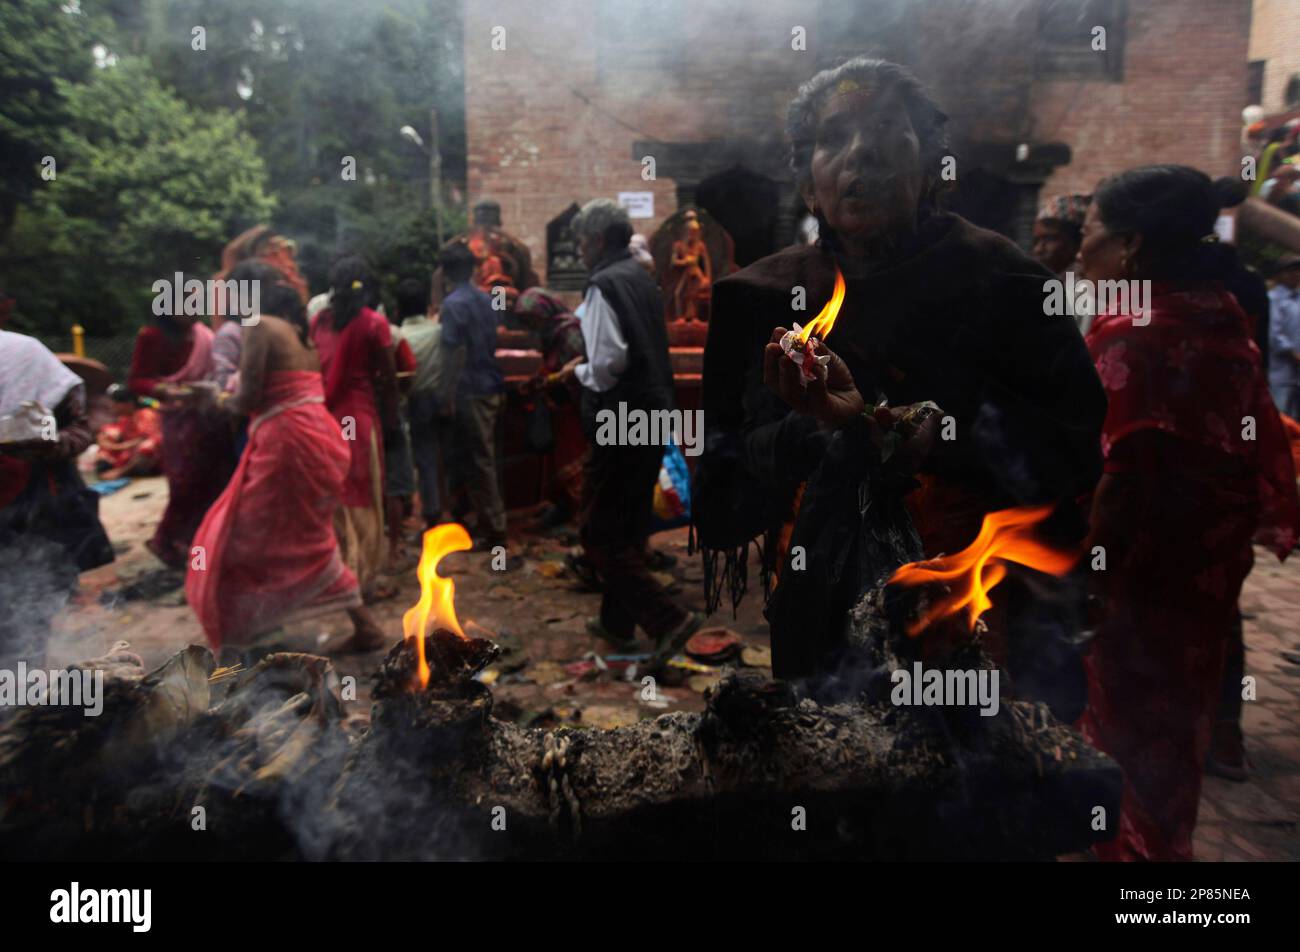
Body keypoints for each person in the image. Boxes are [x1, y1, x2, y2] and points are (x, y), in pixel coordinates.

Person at [695, 58, 1106, 691]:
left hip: (975, 602)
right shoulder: (761, 299)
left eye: (888, 127)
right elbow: (727, 474)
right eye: (833, 138)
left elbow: (1071, 452)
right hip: (817, 599)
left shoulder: (1007, 281)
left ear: (931, 165)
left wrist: (933, 440)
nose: (863, 153)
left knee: (967, 769)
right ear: (808, 184)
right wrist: (820, 436)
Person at [1076, 165, 1299, 861]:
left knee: (1122, 731)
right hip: (1207, 565)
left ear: (1131, 246)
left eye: (1089, 233)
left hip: (1142, 576)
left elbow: (1122, 479)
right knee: (1174, 726)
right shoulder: (1214, 308)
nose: (1082, 251)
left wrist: (1086, 581)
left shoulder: (1135, 335)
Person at [187, 262, 385, 653]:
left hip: (289, 444)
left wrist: (214, 397)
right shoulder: (298, 331)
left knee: (241, 536)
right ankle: (360, 627)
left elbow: (248, 399)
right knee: (308, 536)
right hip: (319, 438)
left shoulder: (259, 325)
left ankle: (246, 631)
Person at [556, 199, 701, 662]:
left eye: (580, 241)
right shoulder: (642, 277)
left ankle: (669, 620)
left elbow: (607, 366)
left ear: (596, 240)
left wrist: (574, 374)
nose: (579, 251)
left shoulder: (602, 284)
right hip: (654, 412)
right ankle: (616, 623)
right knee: (629, 522)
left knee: (598, 534)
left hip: (619, 417)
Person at [0, 328, 114, 674]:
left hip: (26, 505)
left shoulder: (23, 355)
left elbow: (79, 430)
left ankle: (18, 704)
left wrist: (43, 442)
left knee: (24, 610)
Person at [310, 255, 399, 598]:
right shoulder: (373, 323)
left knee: (338, 497)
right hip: (358, 421)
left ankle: (340, 576)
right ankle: (365, 582)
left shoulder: (320, 321)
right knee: (364, 497)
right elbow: (389, 379)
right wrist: (391, 422)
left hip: (328, 421)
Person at [128, 310, 236, 569]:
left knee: (216, 479)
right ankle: (168, 542)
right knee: (184, 483)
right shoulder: (153, 336)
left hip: (211, 416)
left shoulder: (204, 335)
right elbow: (137, 381)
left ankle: (209, 545)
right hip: (178, 419)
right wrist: (164, 389)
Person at [437, 242, 508, 549]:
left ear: (445, 272)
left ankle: (494, 531)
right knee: (480, 456)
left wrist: (447, 394)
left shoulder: (452, 305)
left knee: (480, 460)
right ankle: (476, 520)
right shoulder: (487, 299)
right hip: (491, 382)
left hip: (470, 388)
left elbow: (454, 352)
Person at [514, 287, 587, 526]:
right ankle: (562, 508)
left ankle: (581, 517)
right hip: (556, 406)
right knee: (556, 463)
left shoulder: (569, 331)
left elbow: (575, 372)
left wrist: (548, 381)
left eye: (532, 319)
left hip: (572, 408)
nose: (530, 325)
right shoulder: (550, 333)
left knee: (574, 463)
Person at [394, 277, 454, 529]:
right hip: (442, 397)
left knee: (425, 457)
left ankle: (431, 511)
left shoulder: (398, 336)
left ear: (398, 308)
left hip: (415, 400)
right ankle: (451, 507)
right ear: (427, 304)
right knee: (447, 454)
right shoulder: (438, 331)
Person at [95, 385, 162, 479]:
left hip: (149, 455)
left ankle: (120, 473)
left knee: (147, 446)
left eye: (115, 403)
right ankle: (110, 473)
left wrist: (119, 447)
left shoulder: (146, 414)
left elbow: (146, 439)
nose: (112, 407)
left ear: (128, 403)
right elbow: (111, 436)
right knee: (108, 439)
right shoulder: (124, 418)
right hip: (131, 452)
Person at [1267, 256, 1300, 420]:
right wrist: (1294, 354)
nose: (1295, 275)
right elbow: (1274, 334)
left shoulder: (1298, 299)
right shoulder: (1273, 299)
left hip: (1297, 375)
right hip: (1280, 373)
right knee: (1279, 419)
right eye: (1290, 271)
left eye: (1297, 270)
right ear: (1279, 275)